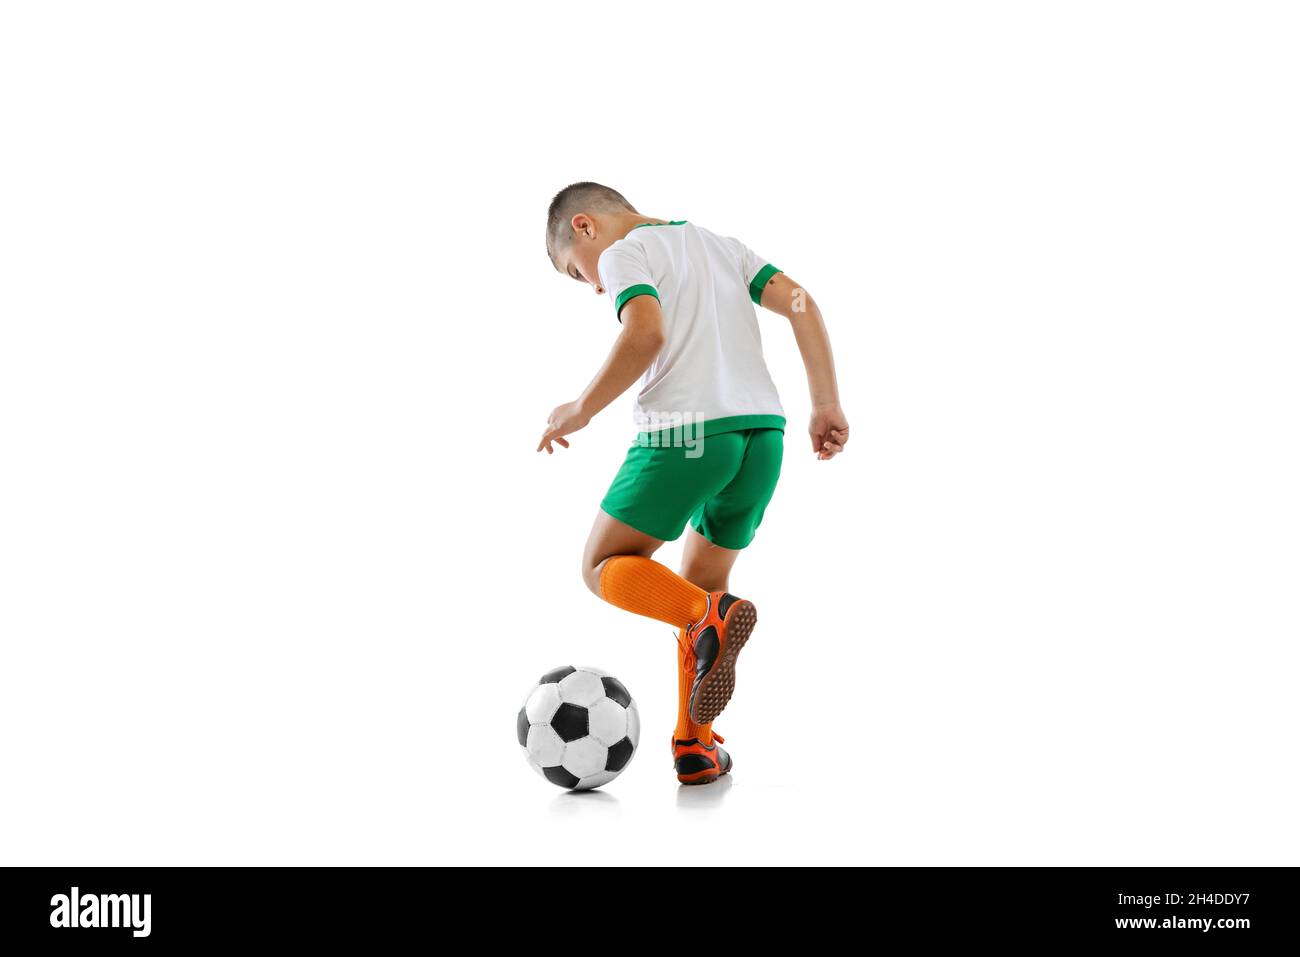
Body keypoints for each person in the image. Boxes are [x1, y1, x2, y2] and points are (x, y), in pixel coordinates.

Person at [539, 182, 848, 785]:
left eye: (580, 274)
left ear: (585, 227)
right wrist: (826, 403)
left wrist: (582, 408)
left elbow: (646, 334)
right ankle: (695, 746)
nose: (597, 285)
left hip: (685, 433)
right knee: (699, 588)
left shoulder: (626, 251)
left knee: (604, 565)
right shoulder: (721, 246)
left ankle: (708, 617)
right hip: (763, 436)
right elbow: (803, 301)